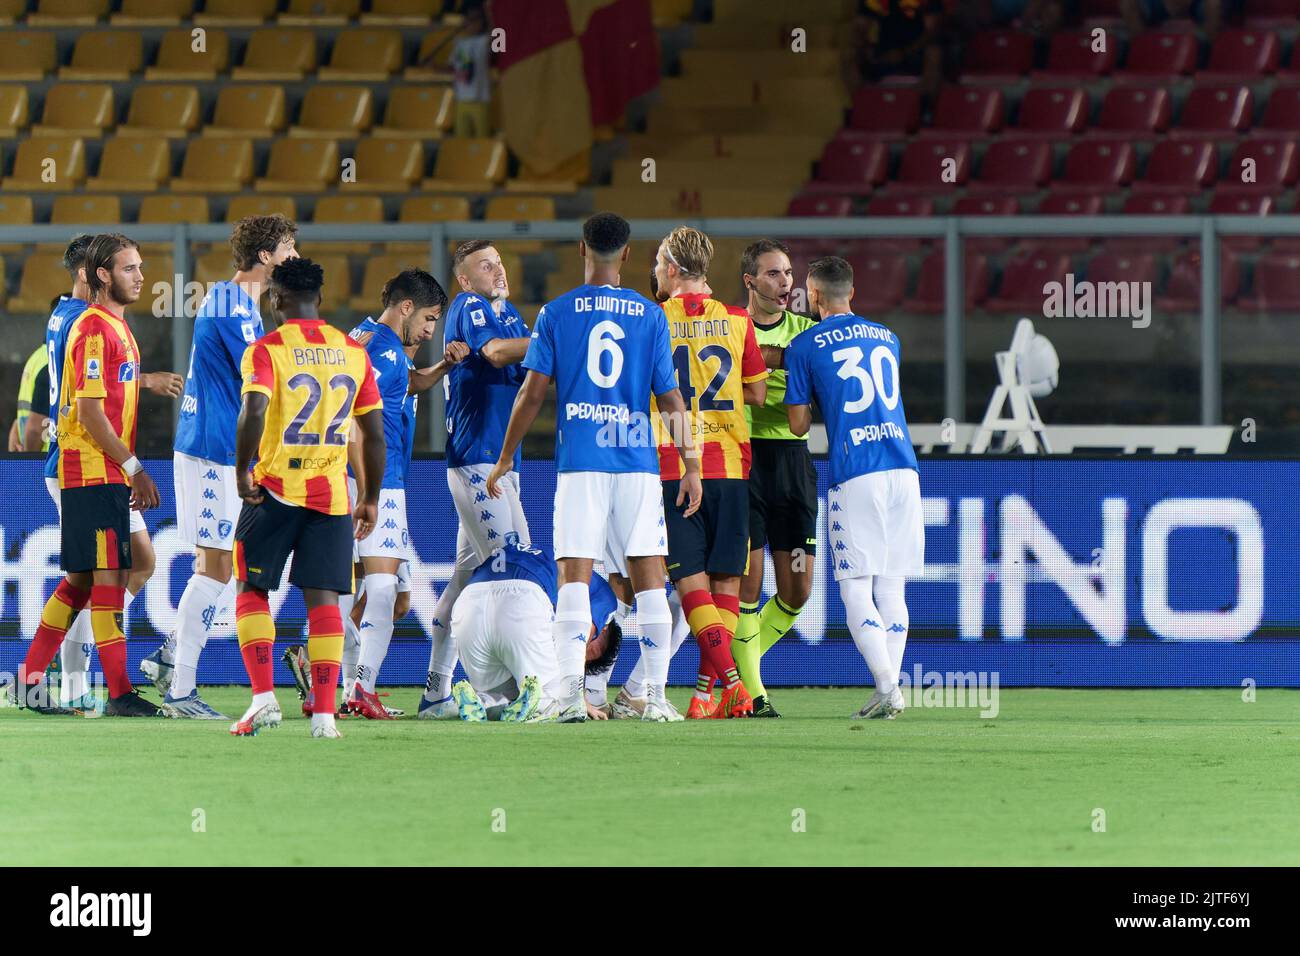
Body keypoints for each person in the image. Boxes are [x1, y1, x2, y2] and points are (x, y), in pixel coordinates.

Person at [486, 211, 702, 723]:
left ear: (581, 249)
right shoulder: (651, 316)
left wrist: (504, 457)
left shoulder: (557, 313)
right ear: (627, 255)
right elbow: (671, 399)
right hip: (637, 463)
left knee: (574, 576)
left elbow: (532, 393)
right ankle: (654, 698)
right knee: (650, 577)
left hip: (581, 462)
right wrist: (690, 463)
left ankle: (567, 698)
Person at [146, 215, 299, 718]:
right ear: (265, 256)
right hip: (213, 450)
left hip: (213, 447)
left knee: (217, 566)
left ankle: (172, 658)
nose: (293, 258)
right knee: (215, 566)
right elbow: (266, 377)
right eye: (288, 250)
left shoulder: (239, 303)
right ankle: (179, 688)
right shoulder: (234, 305)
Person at [229, 258, 385, 739]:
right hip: (332, 497)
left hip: (274, 491)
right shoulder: (352, 351)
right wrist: (370, 497)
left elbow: (254, 409)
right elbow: (375, 434)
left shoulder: (266, 350)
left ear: (276, 298)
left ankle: (262, 699)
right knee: (324, 603)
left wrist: (241, 470)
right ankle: (323, 717)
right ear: (319, 297)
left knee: (252, 591)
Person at [16, 233, 167, 717]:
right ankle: (118, 692)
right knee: (107, 577)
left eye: (140, 267)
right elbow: (88, 412)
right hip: (89, 468)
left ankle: (29, 679)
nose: (141, 276)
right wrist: (134, 466)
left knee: (85, 580)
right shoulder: (93, 328)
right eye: (129, 268)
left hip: (100, 469)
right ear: (102, 275)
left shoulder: (116, 327)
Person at [784, 256, 924, 719]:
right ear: (853, 291)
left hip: (856, 471)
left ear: (815, 297)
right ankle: (890, 688)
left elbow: (799, 425)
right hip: (903, 469)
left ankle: (887, 685)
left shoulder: (805, 345)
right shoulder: (889, 337)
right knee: (893, 587)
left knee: (855, 587)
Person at [650, 226, 768, 719]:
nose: (654, 272)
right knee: (724, 583)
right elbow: (758, 394)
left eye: (658, 263)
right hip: (732, 466)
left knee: (690, 583)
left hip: (677, 465)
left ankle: (733, 686)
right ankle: (704, 695)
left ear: (673, 269)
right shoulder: (739, 321)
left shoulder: (654, 320)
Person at [343, 268, 467, 719]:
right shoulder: (383, 351)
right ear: (407, 307)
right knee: (380, 588)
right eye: (430, 319)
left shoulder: (371, 338)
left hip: (370, 479)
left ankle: (340, 679)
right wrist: (368, 491)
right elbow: (357, 421)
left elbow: (407, 383)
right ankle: (359, 688)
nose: (432, 330)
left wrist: (444, 367)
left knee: (383, 592)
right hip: (379, 479)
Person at [417, 239, 532, 719]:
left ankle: (436, 692)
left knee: (465, 582)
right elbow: (499, 354)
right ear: (465, 280)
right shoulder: (469, 305)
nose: (498, 270)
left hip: (502, 461)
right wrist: (562, 334)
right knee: (516, 574)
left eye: (500, 262)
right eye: (486, 266)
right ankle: (505, 691)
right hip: (478, 461)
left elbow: (531, 368)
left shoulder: (514, 316)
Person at [734, 239, 820, 718]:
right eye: (772, 274)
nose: (785, 282)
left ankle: (734, 665)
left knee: (797, 590)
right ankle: (752, 693)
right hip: (743, 462)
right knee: (749, 585)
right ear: (750, 281)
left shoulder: (808, 333)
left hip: (793, 463)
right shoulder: (730, 327)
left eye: (788, 273)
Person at [449, 539, 620, 722]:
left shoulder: (546, 559)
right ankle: (540, 705)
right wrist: (576, 696)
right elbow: (576, 640)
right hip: (522, 599)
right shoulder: (607, 600)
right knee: (557, 703)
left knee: (510, 696)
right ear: (604, 630)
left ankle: (483, 703)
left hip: (468, 605)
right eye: (589, 650)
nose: (581, 655)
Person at [449, 1, 493, 137]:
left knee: (482, 140)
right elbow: (452, 67)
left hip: (480, 100)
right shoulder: (458, 43)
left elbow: (497, 35)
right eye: (469, 19)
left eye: (476, 19)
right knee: (461, 142)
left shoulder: (484, 41)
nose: (472, 23)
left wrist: (489, 13)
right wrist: (434, 66)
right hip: (461, 99)